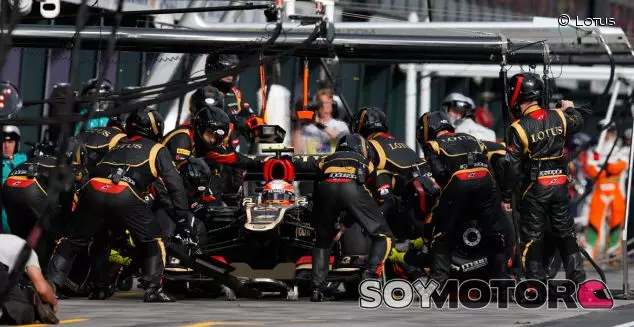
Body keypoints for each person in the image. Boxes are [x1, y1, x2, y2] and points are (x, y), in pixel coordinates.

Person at [47, 108, 194, 303]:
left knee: (78, 240)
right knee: (154, 240)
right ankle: (153, 289)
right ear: (155, 128)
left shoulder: (117, 145)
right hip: (124, 192)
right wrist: (182, 219)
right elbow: (174, 185)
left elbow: (92, 170)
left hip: (93, 189)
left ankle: (57, 286)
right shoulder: (158, 149)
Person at [505, 72, 586, 287]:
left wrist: (506, 195)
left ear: (517, 95)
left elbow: (511, 166)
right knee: (565, 232)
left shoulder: (519, 127)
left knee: (532, 236)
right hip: (560, 184)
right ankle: (578, 280)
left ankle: (535, 284)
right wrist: (569, 107)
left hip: (536, 186)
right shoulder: (559, 116)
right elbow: (578, 122)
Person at [291, 134, 393, 302]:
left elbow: (317, 187)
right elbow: (381, 195)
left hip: (325, 189)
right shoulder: (366, 162)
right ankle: (369, 278)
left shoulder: (326, 159)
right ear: (361, 148)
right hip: (352, 188)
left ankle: (317, 288)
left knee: (323, 239)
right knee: (383, 235)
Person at [417, 111, 511, 289]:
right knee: (495, 230)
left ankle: (439, 282)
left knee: (441, 231)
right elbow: (488, 163)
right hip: (485, 180)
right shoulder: (471, 138)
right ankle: (502, 276)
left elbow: (439, 173)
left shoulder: (433, 144)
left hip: (458, 182)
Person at [584, 124, 628, 261]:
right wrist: (606, 169)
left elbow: (621, 166)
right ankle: (589, 250)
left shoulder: (621, 149)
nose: (607, 134)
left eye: (610, 130)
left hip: (617, 190)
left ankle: (613, 250)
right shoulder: (594, 149)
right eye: (605, 131)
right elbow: (591, 170)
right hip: (599, 190)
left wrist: (605, 166)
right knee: (594, 220)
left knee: (616, 220)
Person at [0, 234, 58, 325]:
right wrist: (54, 301)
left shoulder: (9, 241)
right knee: (21, 311)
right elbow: (42, 289)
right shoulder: (29, 251)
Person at [293, 88, 350, 155]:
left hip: (330, 163)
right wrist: (299, 123)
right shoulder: (308, 128)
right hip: (311, 163)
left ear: (333, 104)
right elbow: (296, 152)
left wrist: (319, 124)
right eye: (320, 103)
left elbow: (339, 137)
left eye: (326, 103)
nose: (323, 106)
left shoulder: (340, 125)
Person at [1, 125, 27, 233]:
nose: (6, 146)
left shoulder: (24, 160)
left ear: (16, 144)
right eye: (3, 142)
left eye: (10, 142)